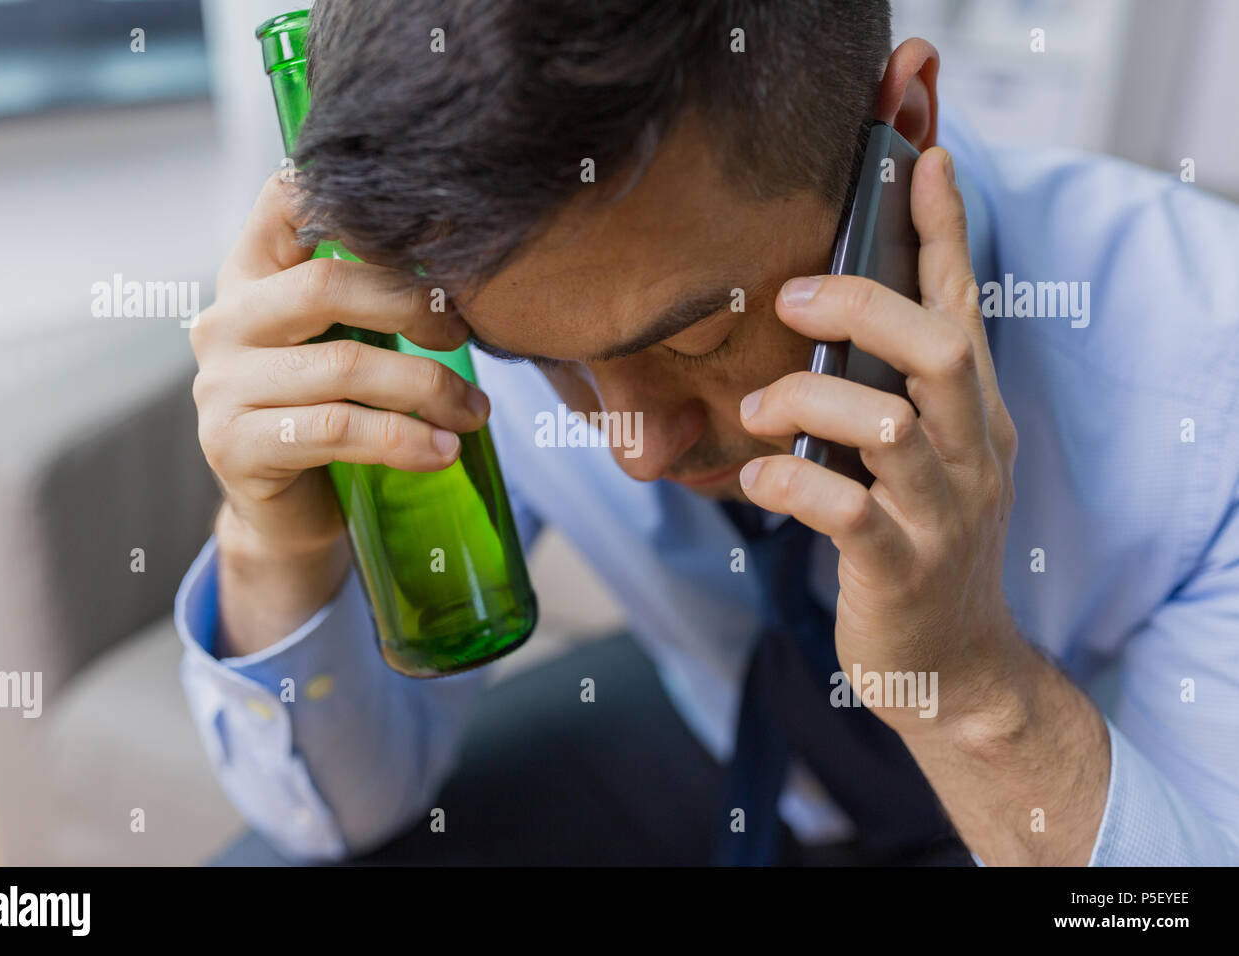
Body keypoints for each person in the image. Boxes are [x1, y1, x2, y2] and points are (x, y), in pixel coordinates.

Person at [176, 0, 1239, 866]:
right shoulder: (473, 297)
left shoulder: (1207, 375)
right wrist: (279, 540)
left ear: (903, 129)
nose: (632, 447)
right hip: (730, 738)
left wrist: (967, 682)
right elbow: (340, 816)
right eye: (536, 360)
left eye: (697, 335)